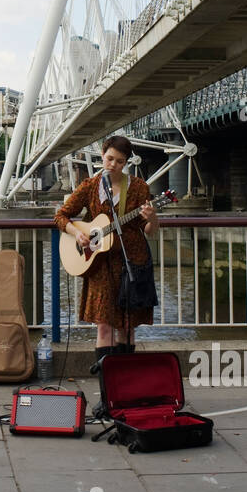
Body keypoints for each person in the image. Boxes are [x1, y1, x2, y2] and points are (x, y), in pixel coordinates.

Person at [53, 135, 159, 372]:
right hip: (100, 265)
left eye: (120, 161)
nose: (113, 165)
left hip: (132, 264)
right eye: (109, 158)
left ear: (126, 163)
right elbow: (60, 216)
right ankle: (108, 384)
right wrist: (77, 233)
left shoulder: (140, 187)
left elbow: (150, 232)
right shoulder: (90, 186)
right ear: (102, 155)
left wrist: (153, 218)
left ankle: (126, 382)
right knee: (104, 326)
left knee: (128, 326)